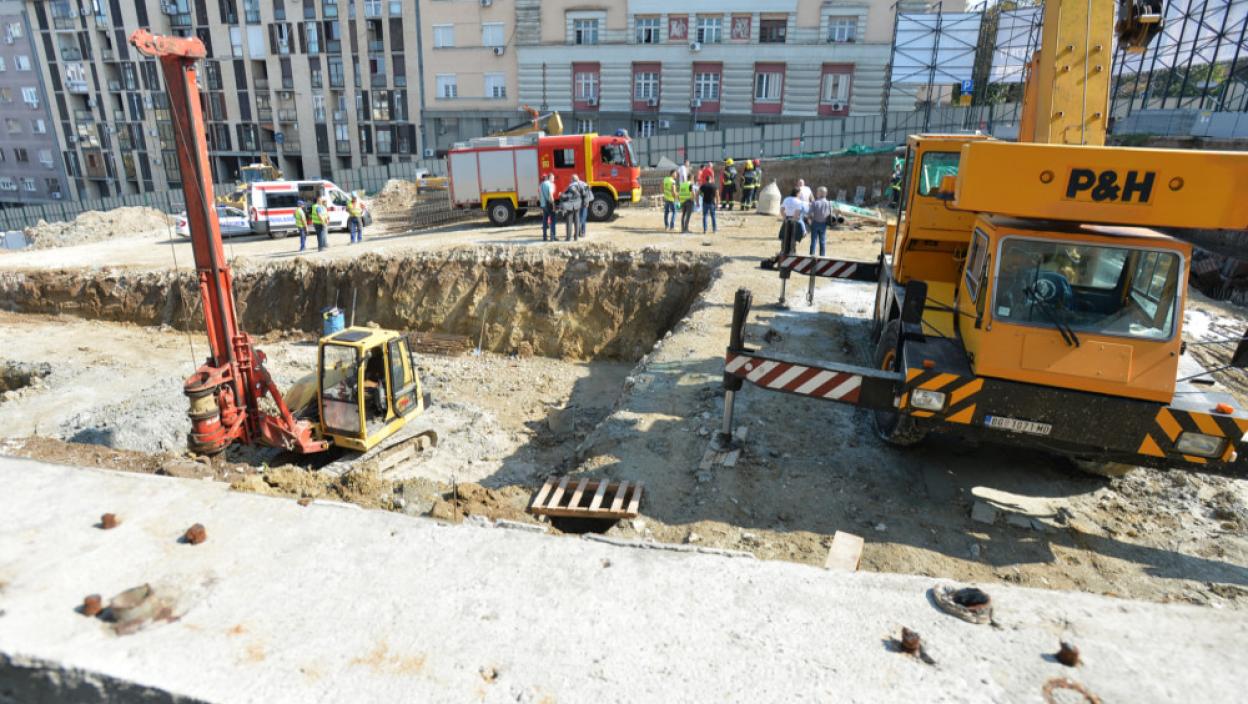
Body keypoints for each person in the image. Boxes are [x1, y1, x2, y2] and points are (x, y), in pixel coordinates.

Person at [778, 187, 807, 252]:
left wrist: (785, 218)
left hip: (787, 219)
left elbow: (782, 210)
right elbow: (797, 212)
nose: (800, 195)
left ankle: (783, 251)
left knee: (785, 237)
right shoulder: (799, 202)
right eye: (800, 193)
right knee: (793, 237)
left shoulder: (786, 199)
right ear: (797, 193)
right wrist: (794, 220)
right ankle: (792, 251)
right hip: (794, 220)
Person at [808, 187, 832, 257]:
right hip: (824, 224)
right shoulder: (829, 203)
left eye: (817, 192)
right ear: (826, 194)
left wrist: (809, 222)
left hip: (815, 223)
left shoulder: (815, 203)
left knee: (814, 241)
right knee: (822, 241)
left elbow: (809, 214)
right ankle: (822, 256)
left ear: (819, 194)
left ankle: (812, 255)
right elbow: (830, 214)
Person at [539, 173, 557, 241]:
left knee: (544, 221)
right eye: (553, 178)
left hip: (543, 204)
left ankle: (544, 237)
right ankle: (552, 237)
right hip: (549, 204)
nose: (554, 179)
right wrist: (553, 204)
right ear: (550, 178)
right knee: (553, 220)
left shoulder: (541, 184)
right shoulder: (550, 184)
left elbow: (540, 195)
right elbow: (550, 194)